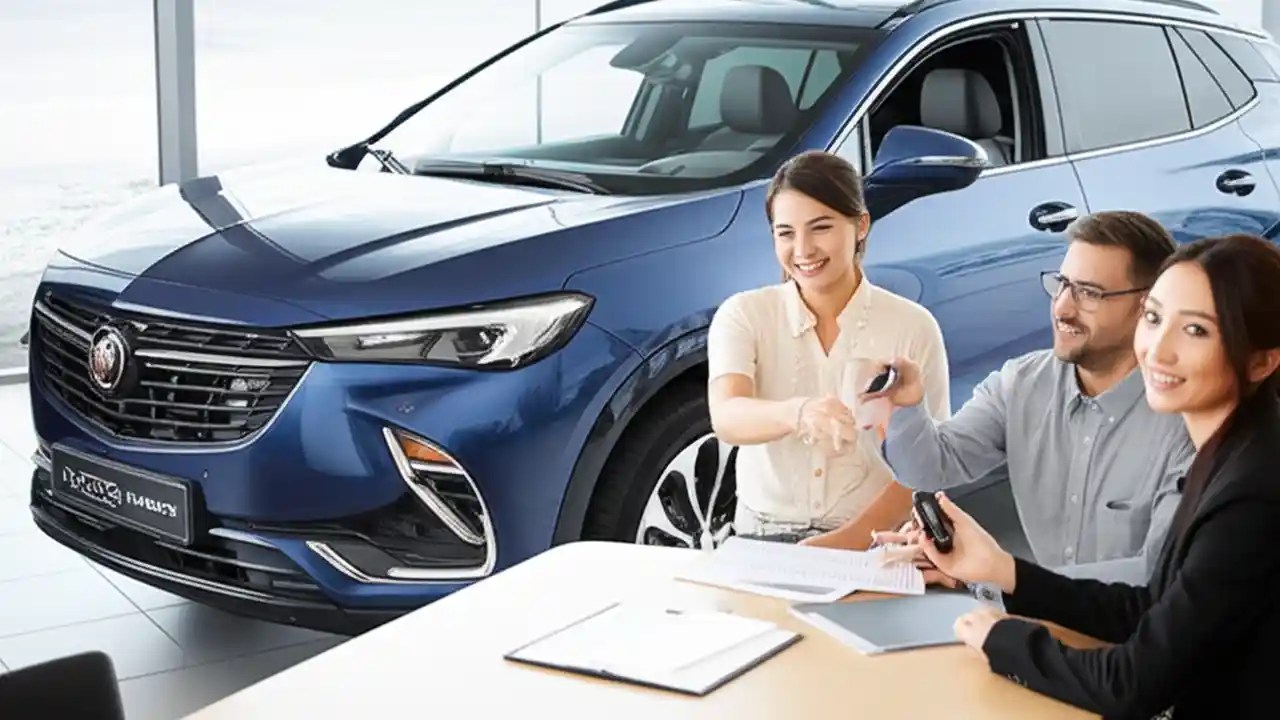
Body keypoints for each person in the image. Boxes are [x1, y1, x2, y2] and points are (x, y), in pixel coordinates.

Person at [907, 234, 1280, 719]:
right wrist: (1001, 569)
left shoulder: (1253, 492)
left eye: (1195, 331)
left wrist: (1005, 641)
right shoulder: (1235, 449)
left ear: (1261, 360)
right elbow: (1151, 607)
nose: (1157, 350)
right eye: (1154, 318)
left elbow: (1133, 684)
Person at [842, 212, 1195, 582]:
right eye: (1062, 284)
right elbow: (933, 467)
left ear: (1148, 308)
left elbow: (1160, 575)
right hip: (1035, 608)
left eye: (1089, 293)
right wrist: (906, 405)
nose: (1062, 308)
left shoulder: (1187, 420)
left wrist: (997, 576)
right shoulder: (1022, 384)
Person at [706, 150, 949, 546]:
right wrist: (799, 412)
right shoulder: (744, 314)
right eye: (786, 233)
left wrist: (845, 542)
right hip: (763, 533)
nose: (803, 250)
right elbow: (727, 415)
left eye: (820, 228)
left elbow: (929, 466)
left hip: (875, 539)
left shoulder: (912, 327)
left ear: (861, 225)